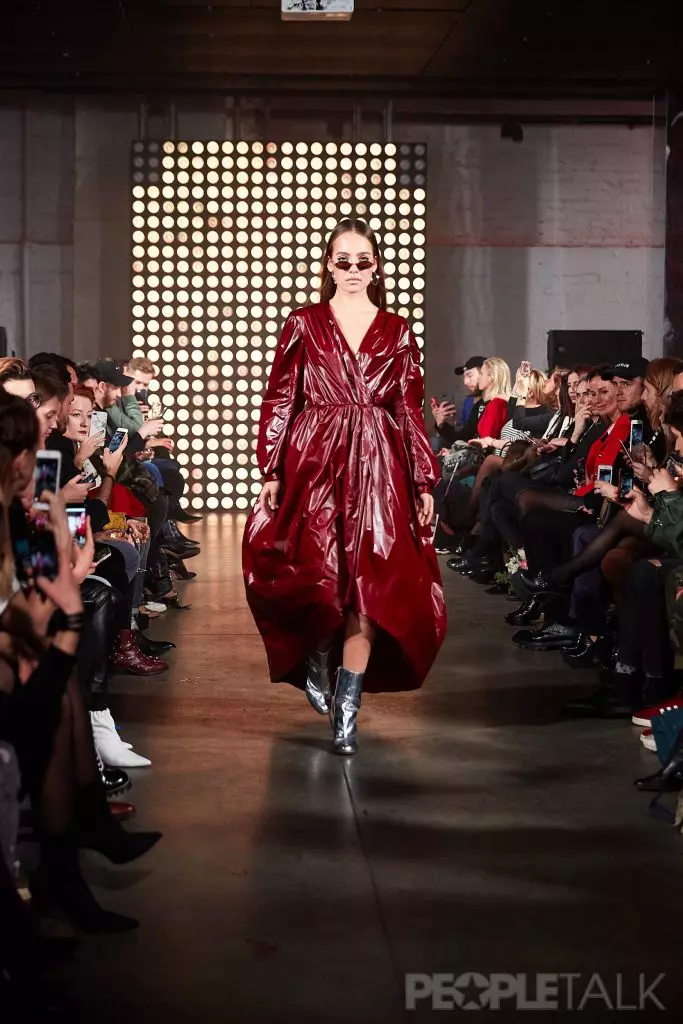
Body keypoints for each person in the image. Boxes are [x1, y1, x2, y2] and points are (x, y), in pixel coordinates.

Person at [242, 217, 446, 755]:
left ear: (376, 266)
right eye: (343, 260)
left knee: (372, 585)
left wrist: (423, 478)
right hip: (315, 457)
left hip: (379, 460)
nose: (353, 270)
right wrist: (271, 468)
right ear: (328, 264)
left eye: (363, 261)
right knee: (318, 574)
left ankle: (346, 710)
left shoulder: (398, 330)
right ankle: (314, 653)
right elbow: (281, 398)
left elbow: (407, 408)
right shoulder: (304, 323)